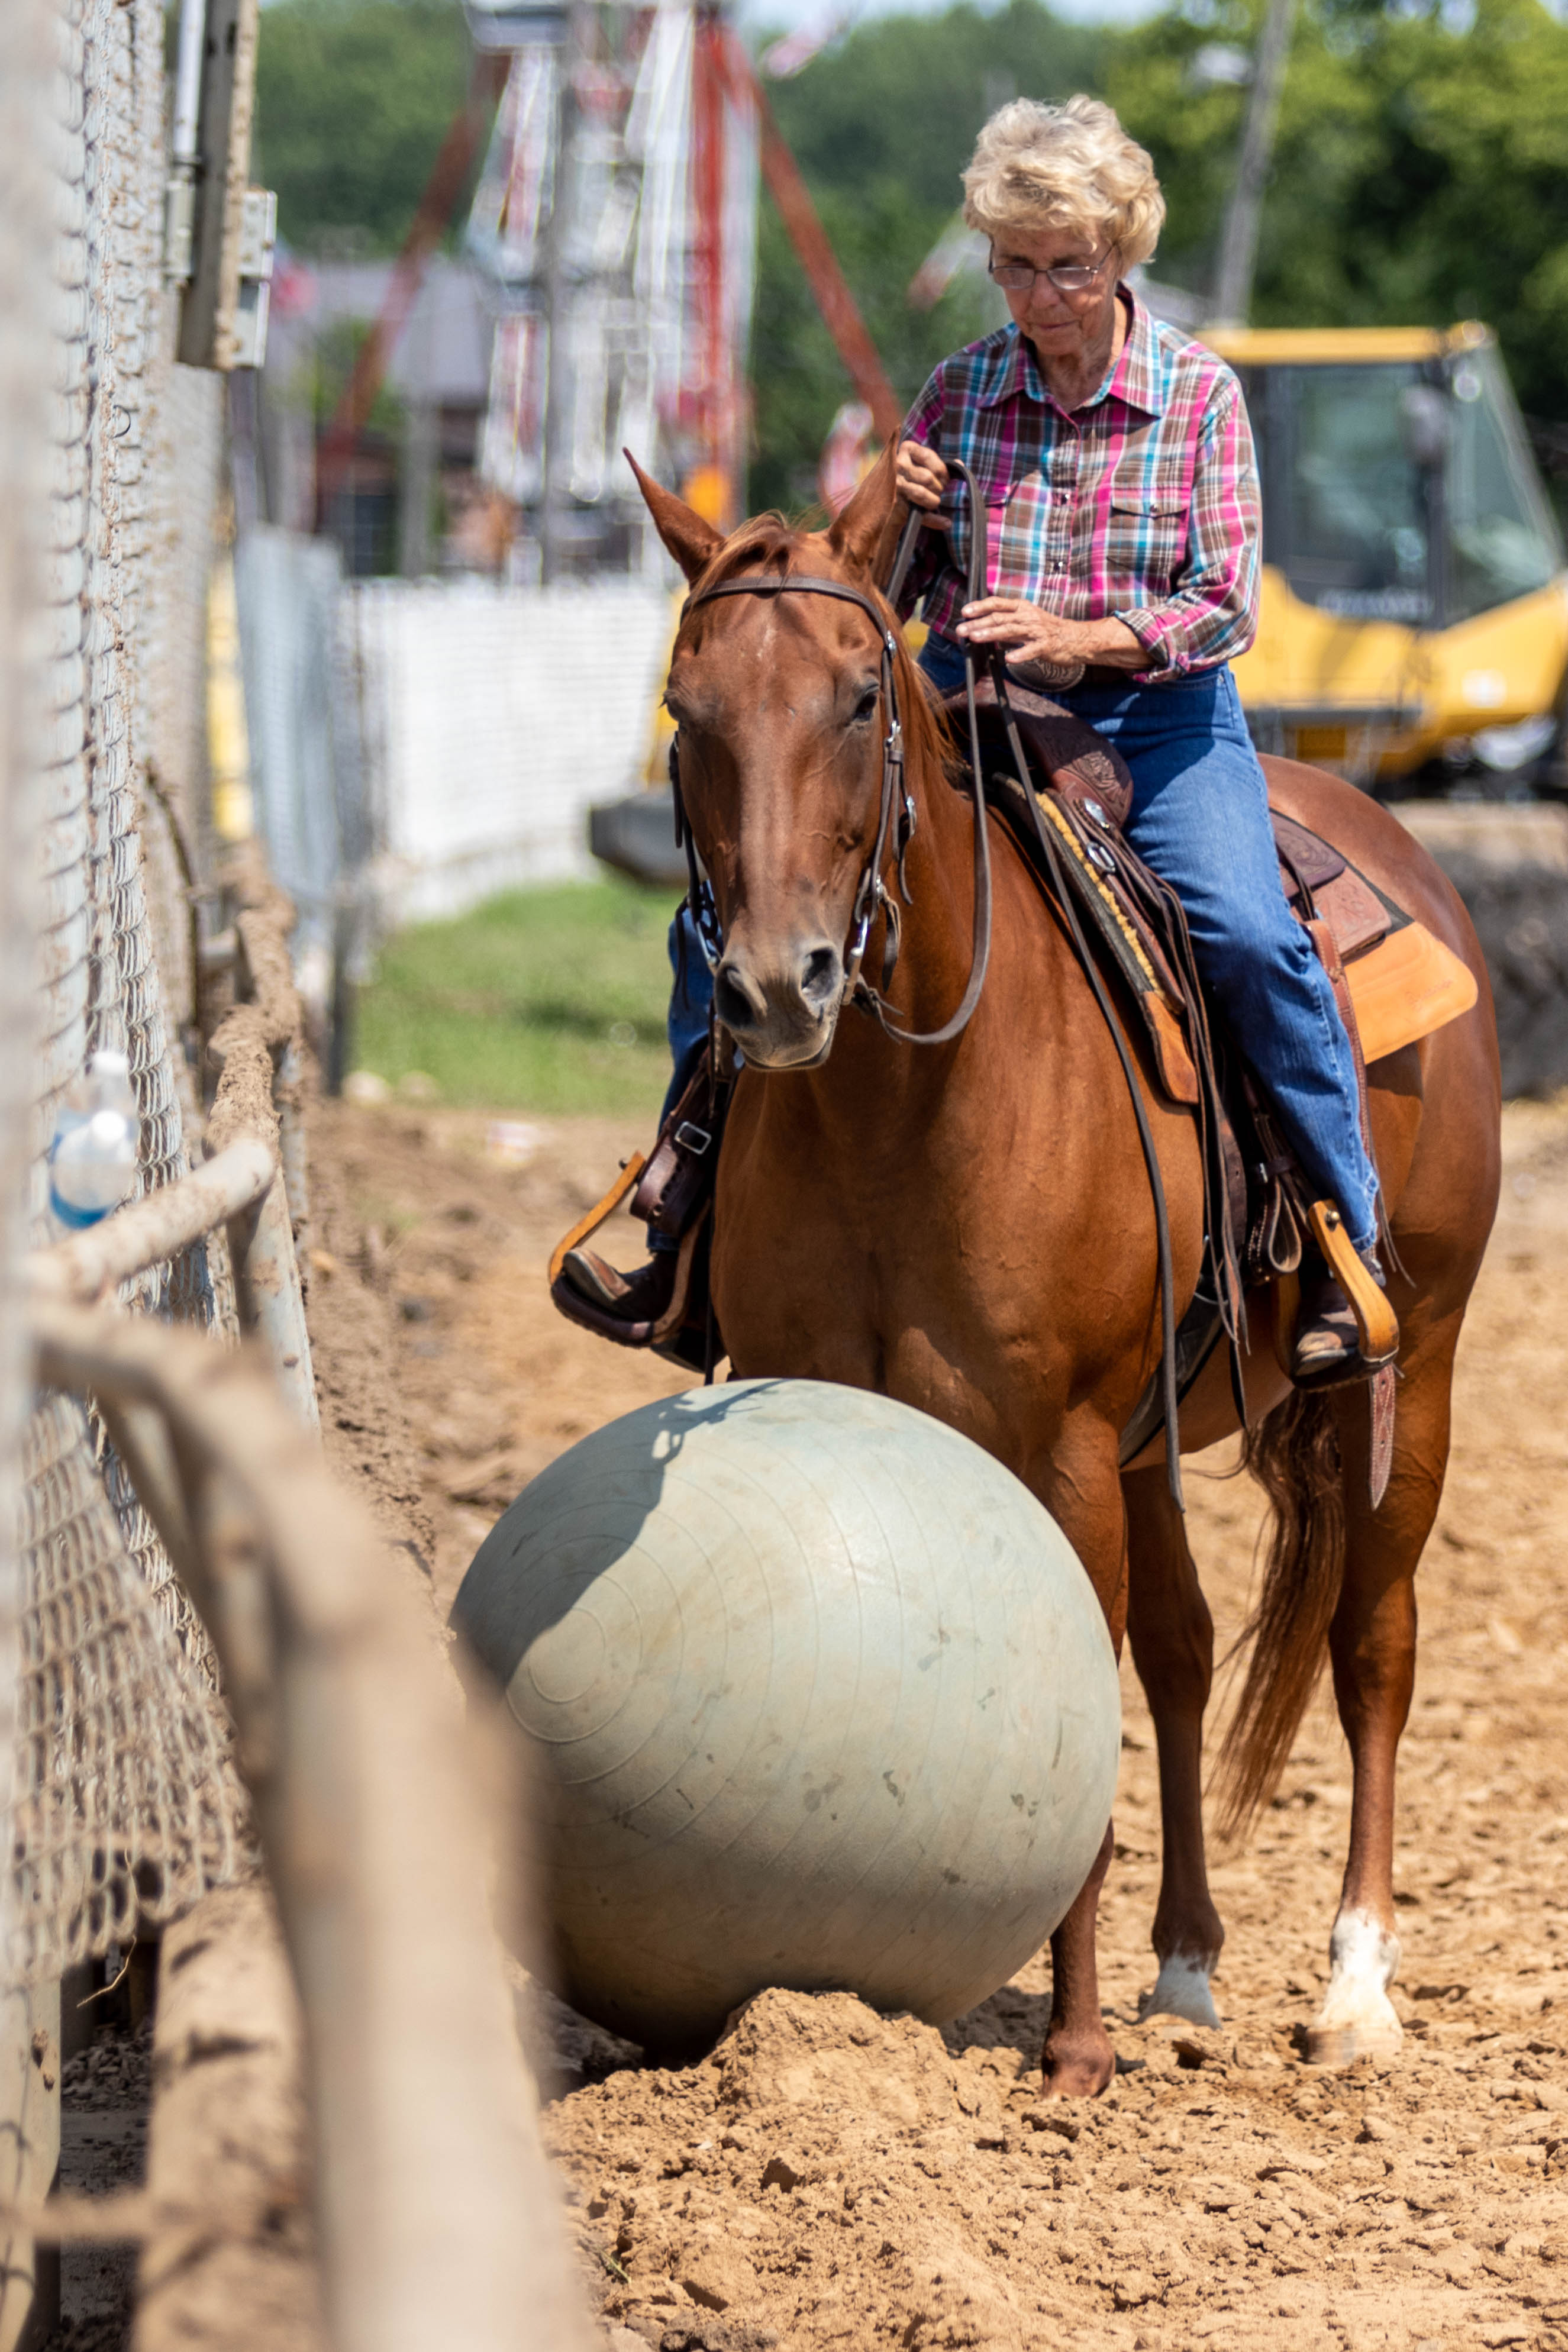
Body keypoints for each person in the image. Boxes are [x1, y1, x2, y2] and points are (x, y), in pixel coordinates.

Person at [562, 93, 1389, 1382]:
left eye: (1067, 265)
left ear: (1119, 251)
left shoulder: (1197, 396)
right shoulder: (958, 391)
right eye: (1014, 265)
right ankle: (684, 1202)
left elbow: (1224, 604)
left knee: (1242, 929)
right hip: (963, 703)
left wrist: (1082, 636)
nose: (1040, 296)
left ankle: (1342, 1232)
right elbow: (875, 608)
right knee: (733, 913)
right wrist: (906, 521)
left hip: (1151, 717)